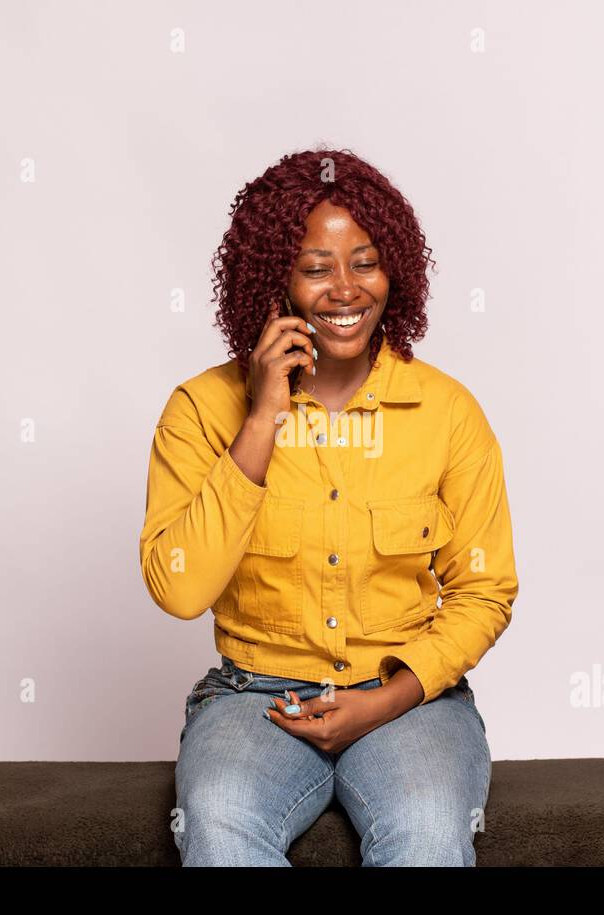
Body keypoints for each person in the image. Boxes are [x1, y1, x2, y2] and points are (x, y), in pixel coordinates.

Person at [138, 147, 518, 865]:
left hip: (409, 700)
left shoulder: (446, 412)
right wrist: (261, 422)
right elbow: (180, 588)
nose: (345, 288)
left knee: (430, 827)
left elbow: (485, 590)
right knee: (217, 820)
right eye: (315, 267)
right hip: (257, 699)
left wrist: (387, 700)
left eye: (364, 263)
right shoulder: (200, 409)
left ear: (393, 270)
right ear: (274, 279)